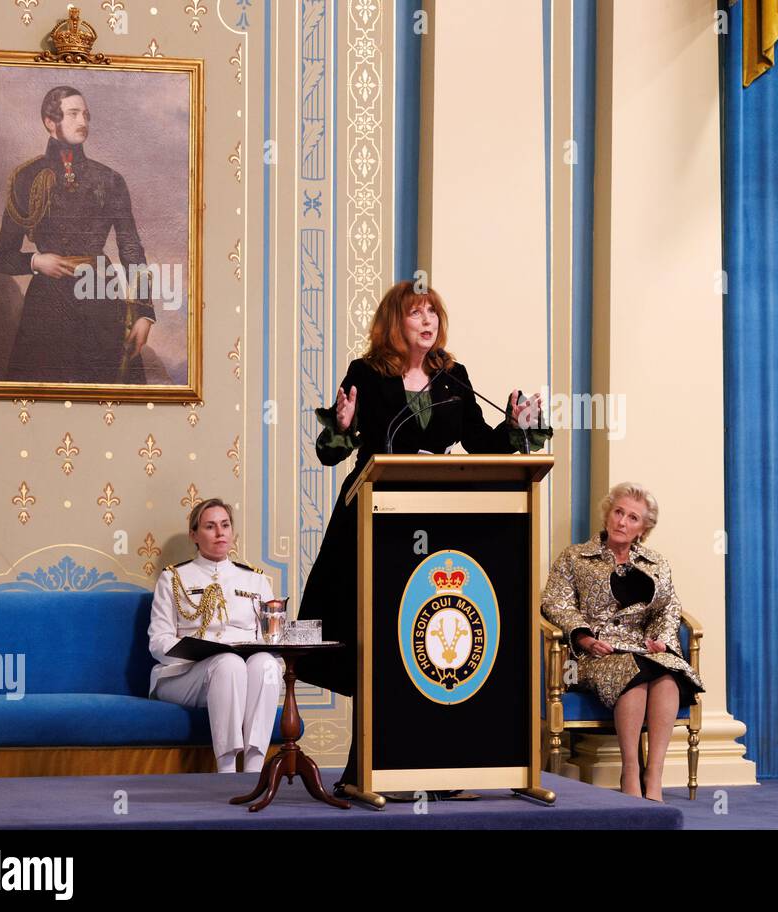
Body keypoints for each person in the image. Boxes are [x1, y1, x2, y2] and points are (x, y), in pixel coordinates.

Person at [295, 279, 549, 796]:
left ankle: (438, 767)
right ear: (395, 321)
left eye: (433, 312)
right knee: (379, 637)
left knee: (429, 637)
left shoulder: (454, 379)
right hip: (373, 519)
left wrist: (518, 429)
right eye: (416, 313)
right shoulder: (366, 373)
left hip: (441, 523)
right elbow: (330, 452)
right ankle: (363, 771)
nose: (427, 321)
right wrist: (342, 424)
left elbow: (482, 446)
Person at [541, 483, 703, 801]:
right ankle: (630, 770)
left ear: (643, 528)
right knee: (634, 673)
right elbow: (555, 602)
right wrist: (584, 637)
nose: (622, 522)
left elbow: (669, 610)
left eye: (632, 518)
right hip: (594, 654)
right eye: (618, 512)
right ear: (607, 513)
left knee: (668, 676)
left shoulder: (656, 564)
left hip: (644, 649)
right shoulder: (575, 557)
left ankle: (653, 775)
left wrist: (662, 642)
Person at [0, 85, 155, 383]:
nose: (83, 122)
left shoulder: (110, 179)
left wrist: (144, 313)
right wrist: (36, 262)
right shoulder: (26, 178)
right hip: (47, 306)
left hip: (101, 297)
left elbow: (131, 249)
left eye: (86, 115)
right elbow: (2, 258)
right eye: (73, 114)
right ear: (49, 122)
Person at [148, 499, 281, 774]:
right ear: (194, 535)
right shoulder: (173, 578)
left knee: (266, 664)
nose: (220, 533)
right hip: (185, 674)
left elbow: (273, 639)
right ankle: (228, 772)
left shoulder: (256, 581)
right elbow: (158, 642)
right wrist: (201, 651)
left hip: (242, 671)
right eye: (210, 526)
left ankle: (255, 771)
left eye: (225, 525)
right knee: (227, 664)